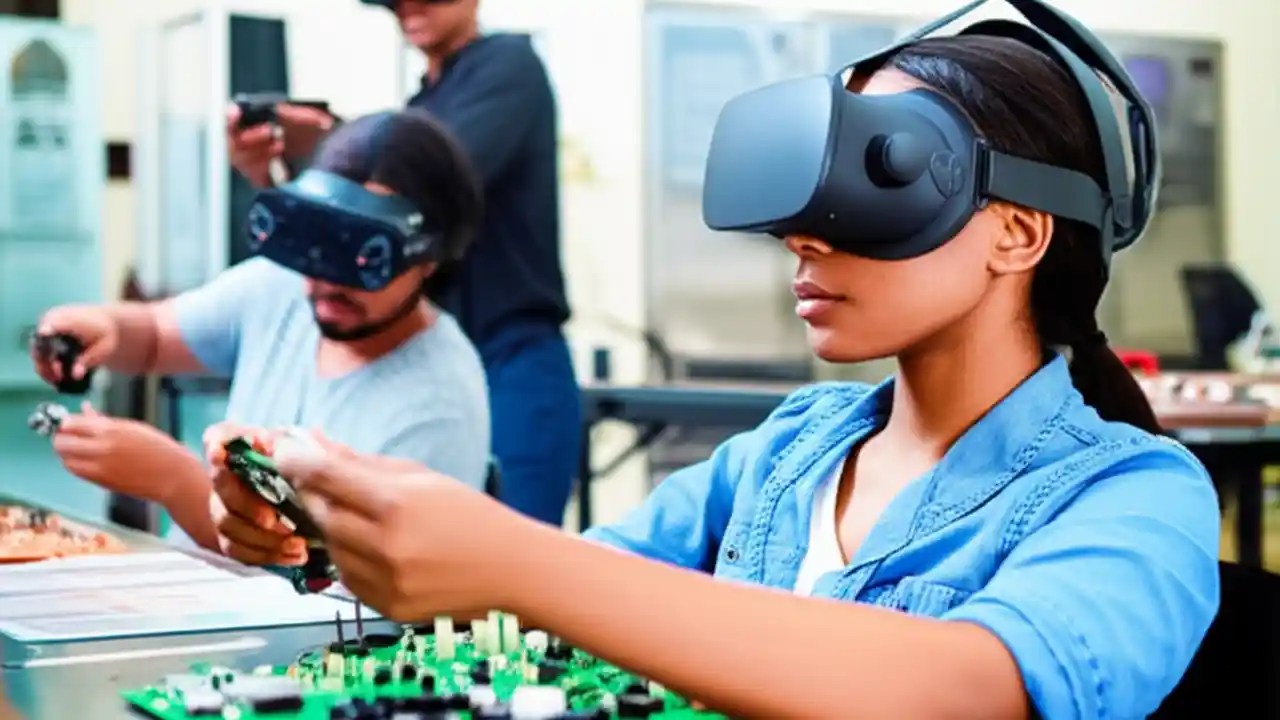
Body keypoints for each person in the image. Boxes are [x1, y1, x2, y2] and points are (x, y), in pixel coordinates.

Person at [206, 9, 1221, 720]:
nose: (805, 239)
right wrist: (332, 528)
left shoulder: (1134, 496)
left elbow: (964, 690)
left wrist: (513, 561)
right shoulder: (787, 452)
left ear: (1017, 232)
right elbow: (571, 595)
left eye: (881, 174)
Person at [33, 110, 490, 555]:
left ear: (429, 257)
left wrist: (174, 481)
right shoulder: (280, 289)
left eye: (361, 257)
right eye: (317, 246)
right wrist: (106, 327)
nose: (328, 280)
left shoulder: (439, 402)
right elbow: (153, 335)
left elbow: (341, 583)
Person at [226, 0, 580, 526]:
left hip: (512, 357)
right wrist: (291, 172)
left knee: (507, 588)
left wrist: (325, 151)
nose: (410, 6)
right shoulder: (429, 99)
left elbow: (426, 184)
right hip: (430, 350)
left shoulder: (508, 67)